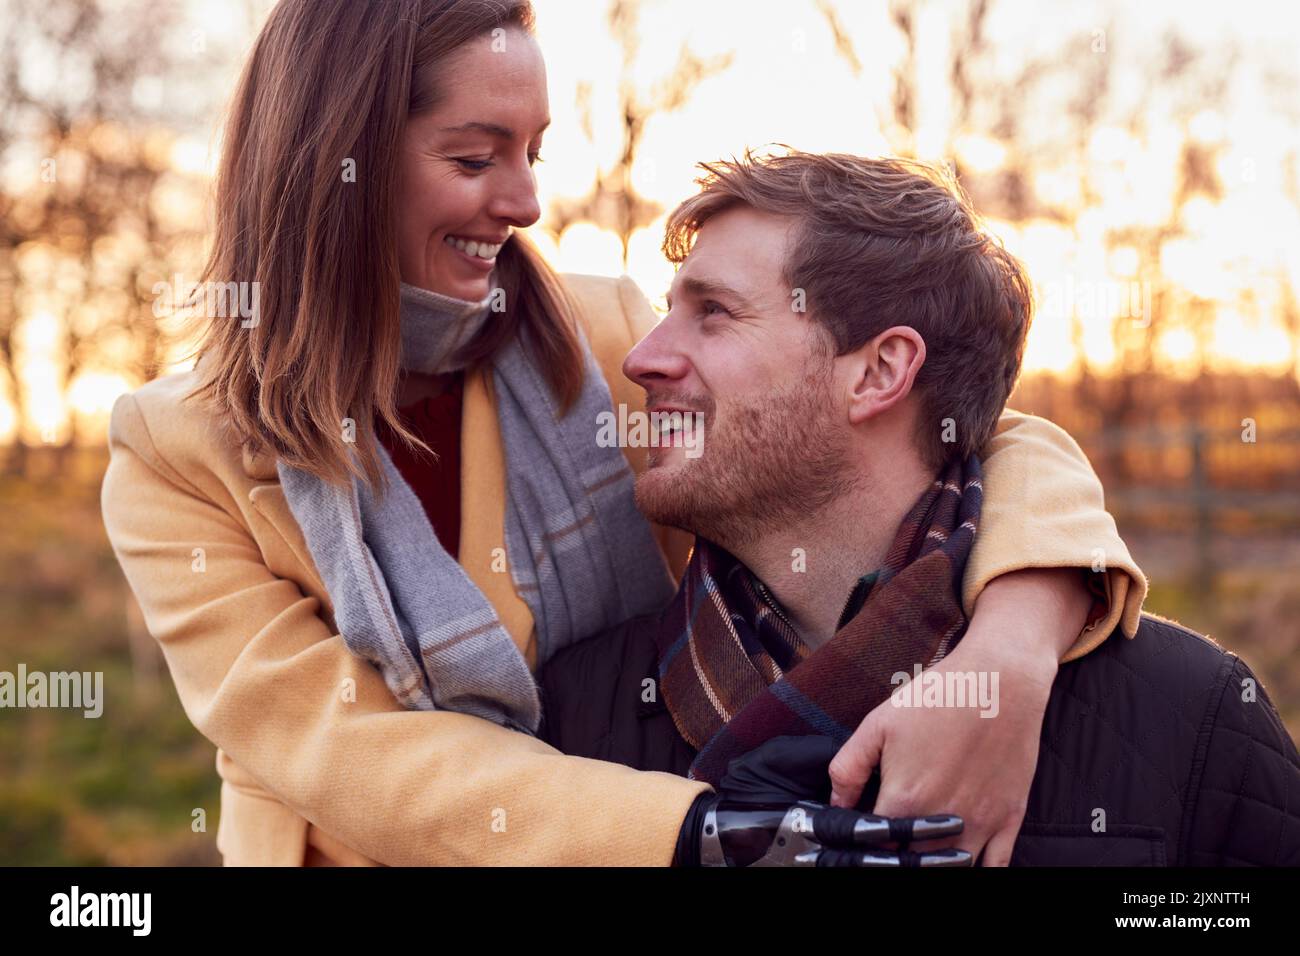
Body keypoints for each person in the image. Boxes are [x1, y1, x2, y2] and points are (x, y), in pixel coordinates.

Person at [101, 0, 1142, 867]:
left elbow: (963, 429)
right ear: (342, 163)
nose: (525, 201)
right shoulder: (177, 451)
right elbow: (342, 750)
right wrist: (698, 837)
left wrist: (1011, 649)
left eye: (534, 151)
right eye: (476, 156)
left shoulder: (598, 336)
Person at [537, 151, 1300, 866]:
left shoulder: (1192, 717)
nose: (641, 358)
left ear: (879, 372)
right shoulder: (575, 720)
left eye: (714, 313)